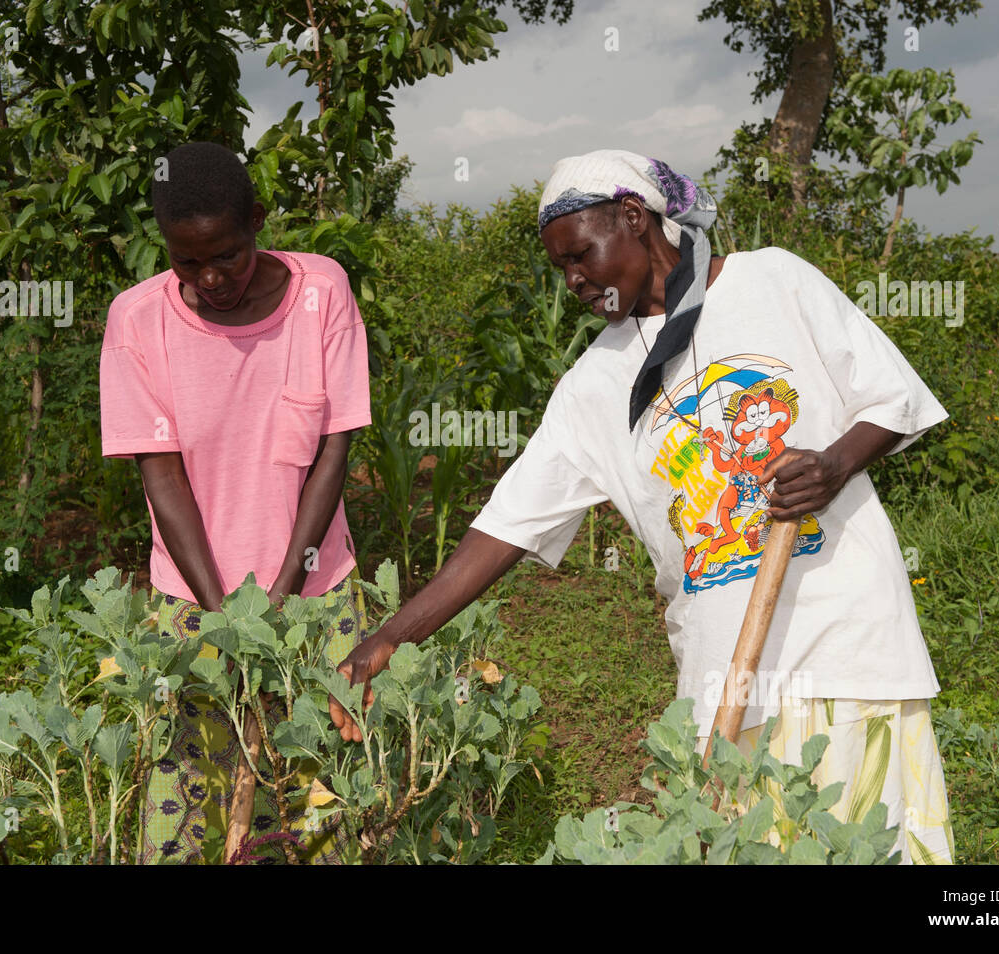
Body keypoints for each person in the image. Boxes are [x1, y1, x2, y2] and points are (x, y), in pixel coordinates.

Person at [331, 149, 954, 864]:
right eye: (561, 270)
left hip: (849, 644)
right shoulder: (595, 385)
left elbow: (892, 396)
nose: (574, 281)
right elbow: (502, 530)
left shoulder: (773, 281)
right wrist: (391, 637)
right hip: (726, 671)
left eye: (581, 255)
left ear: (634, 217)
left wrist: (836, 464)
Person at [99, 141, 371, 864]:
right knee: (190, 803)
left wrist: (280, 599)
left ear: (256, 220)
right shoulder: (136, 322)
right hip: (193, 602)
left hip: (314, 594)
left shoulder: (322, 293)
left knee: (323, 800)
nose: (209, 278)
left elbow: (332, 451)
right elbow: (162, 479)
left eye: (226, 254)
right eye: (186, 262)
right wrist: (226, 623)